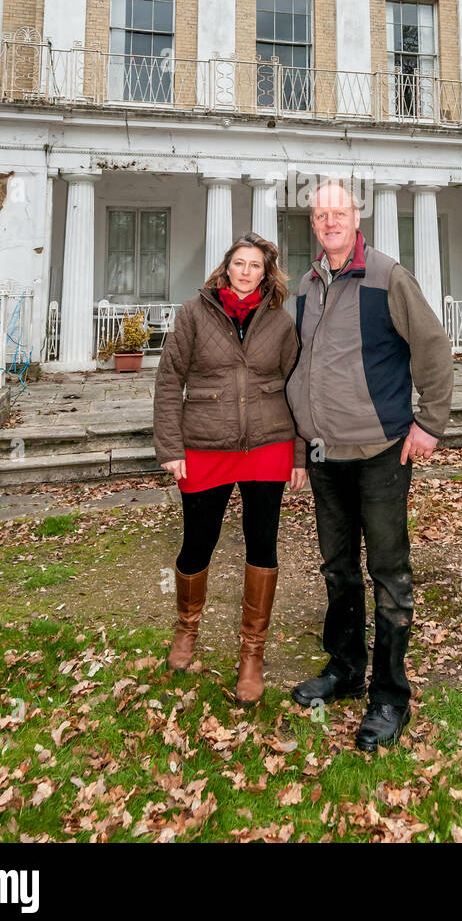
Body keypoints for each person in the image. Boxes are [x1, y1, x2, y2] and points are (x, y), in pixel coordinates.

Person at [285, 181, 454, 751]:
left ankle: (389, 694)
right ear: (313, 223)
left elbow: (432, 347)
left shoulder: (388, 276)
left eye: (341, 212)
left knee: (388, 572)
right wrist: (297, 444)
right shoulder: (307, 287)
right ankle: (346, 668)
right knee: (337, 567)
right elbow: (298, 370)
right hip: (323, 455)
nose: (331, 221)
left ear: (357, 217)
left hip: (381, 451)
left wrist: (429, 423)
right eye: (321, 214)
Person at [153, 233, 306, 704]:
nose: (245, 271)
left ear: (266, 273)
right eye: (239, 263)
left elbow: (297, 386)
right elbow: (168, 380)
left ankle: (252, 654)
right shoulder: (193, 314)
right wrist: (171, 446)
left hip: (267, 442)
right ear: (225, 268)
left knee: (263, 543)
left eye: (255, 265)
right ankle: (186, 629)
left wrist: (300, 455)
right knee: (198, 541)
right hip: (205, 443)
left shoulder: (280, 322)